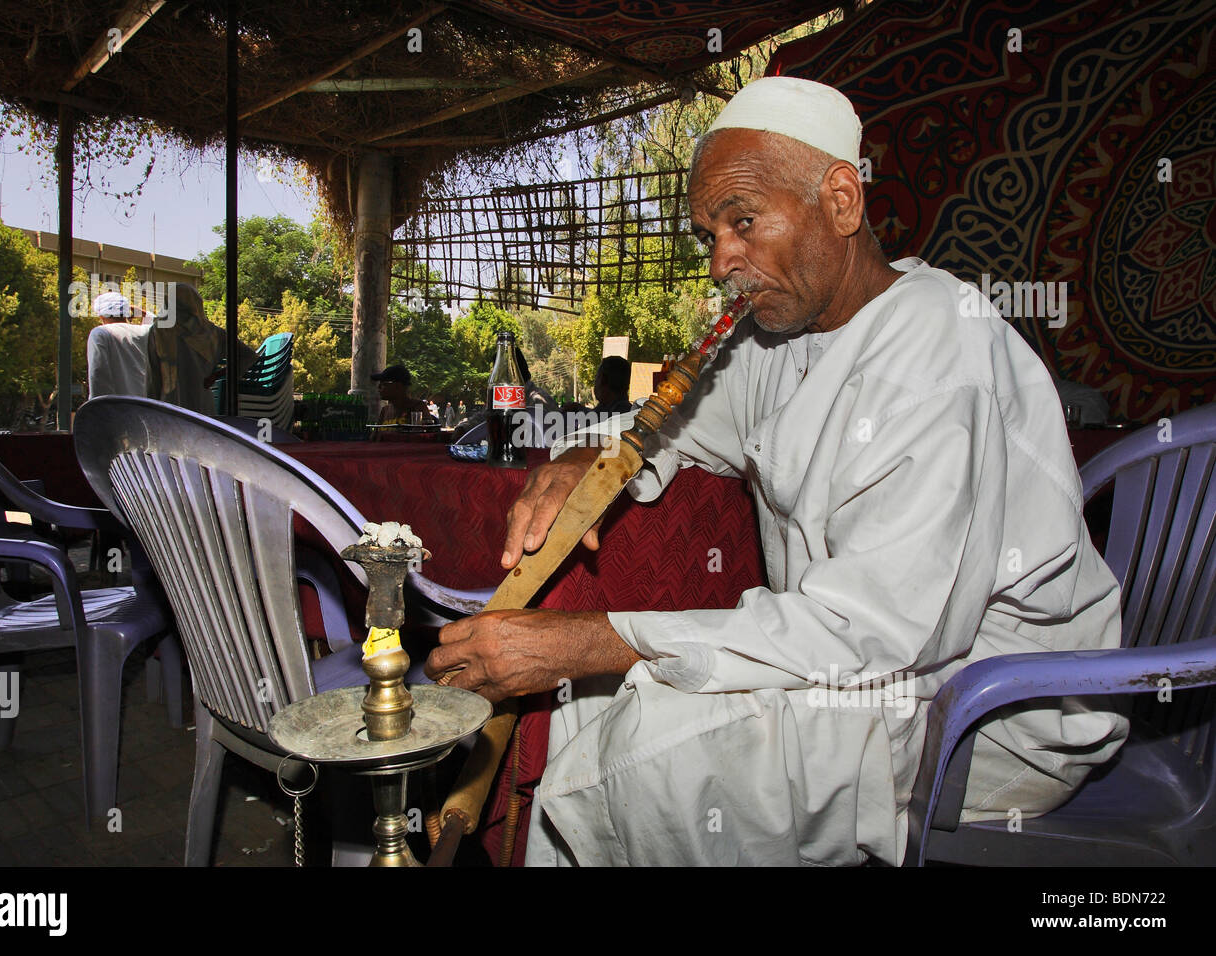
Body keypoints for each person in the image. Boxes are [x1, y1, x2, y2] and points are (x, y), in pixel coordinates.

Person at [424, 77, 1128, 866]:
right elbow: (673, 429)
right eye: (710, 235)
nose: (723, 260)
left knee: (657, 753)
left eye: (744, 221)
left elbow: (872, 633)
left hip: (981, 703)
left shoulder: (941, 353)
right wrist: (587, 453)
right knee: (595, 705)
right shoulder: (777, 341)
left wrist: (589, 640)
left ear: (841, 201)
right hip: (858, 665)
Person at [146, 283, 257, 415]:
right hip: (202, 406)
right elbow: (249, 356)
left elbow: (154, 377)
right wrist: (216, 376)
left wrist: (150, 408)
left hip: (169, 408)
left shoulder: (158, 331)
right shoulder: (213, 333)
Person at [87, 291, 153, 399]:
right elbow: (159, 325)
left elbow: (97, 375)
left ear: (101, 315)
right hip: (147, 407)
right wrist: (144, 314)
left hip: (117, 409)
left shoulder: (101, 333)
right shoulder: (145, 331)